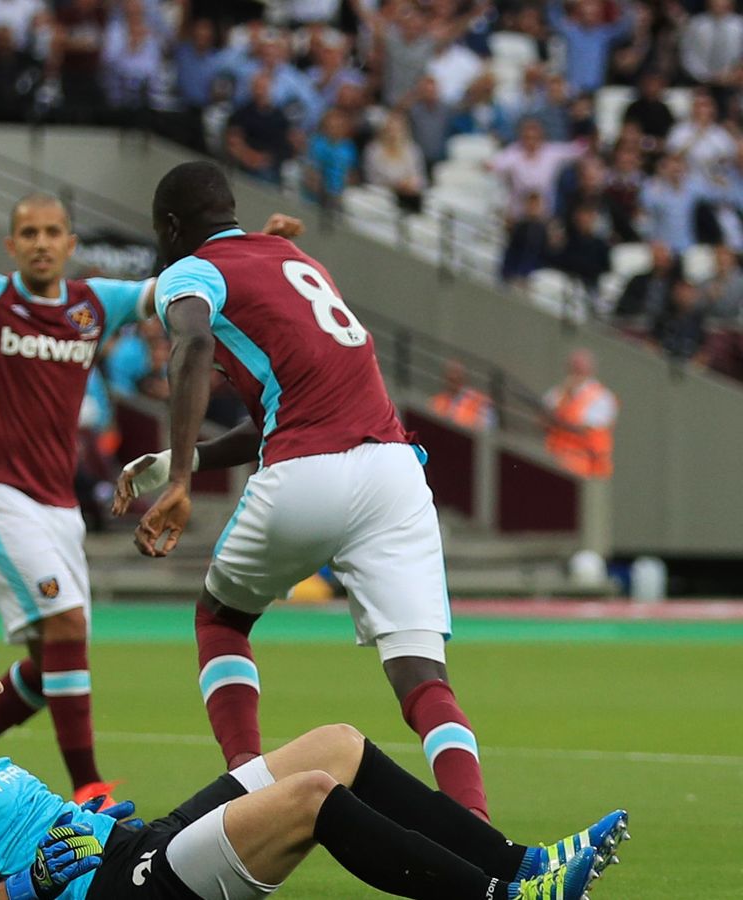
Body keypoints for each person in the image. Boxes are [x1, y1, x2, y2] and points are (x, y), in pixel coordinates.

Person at [0, 130, 304, 803]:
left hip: (60, 511)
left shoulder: (95, 303)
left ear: (69, 244)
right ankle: (88, 787)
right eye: (27, 232)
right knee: (66, 632)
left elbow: (186, 286)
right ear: (11, 246)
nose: (39, 241)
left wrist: (249, 243)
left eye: (52, 231)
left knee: (48, 662)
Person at [116, 159, 493, 823]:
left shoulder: (187, 272)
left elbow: (194, 341)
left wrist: (177, 480)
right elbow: (276, 407)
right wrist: (190, 458)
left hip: (307, 473)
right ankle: (480, 837)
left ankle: (247, 789)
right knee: (422, 678)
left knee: (222, 619)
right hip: (394, 470)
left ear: (170, 228)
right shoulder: (292, 257)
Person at [0, 602, 627, 900]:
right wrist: (28, 884)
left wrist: (79, 822)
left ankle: (519, 862)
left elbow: (23, 835)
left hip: (131, 850)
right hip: (117, 892)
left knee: (335, 745)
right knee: (310, 801)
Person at [542, 349, 618, 479]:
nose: (576, 372)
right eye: (573, 368)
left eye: (580, 368)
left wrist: (558, 418)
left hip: (586, 468)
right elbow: (542, 418)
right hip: (555, 460)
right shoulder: (559, 392)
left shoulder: (601, 397)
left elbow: (589, 428)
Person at [429, 360, 495, 432]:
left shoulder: (479, 401)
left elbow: (488, 431)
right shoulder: (438, 401)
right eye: (450, 377)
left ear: (464, 377)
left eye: (456, 374)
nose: (453, 377)